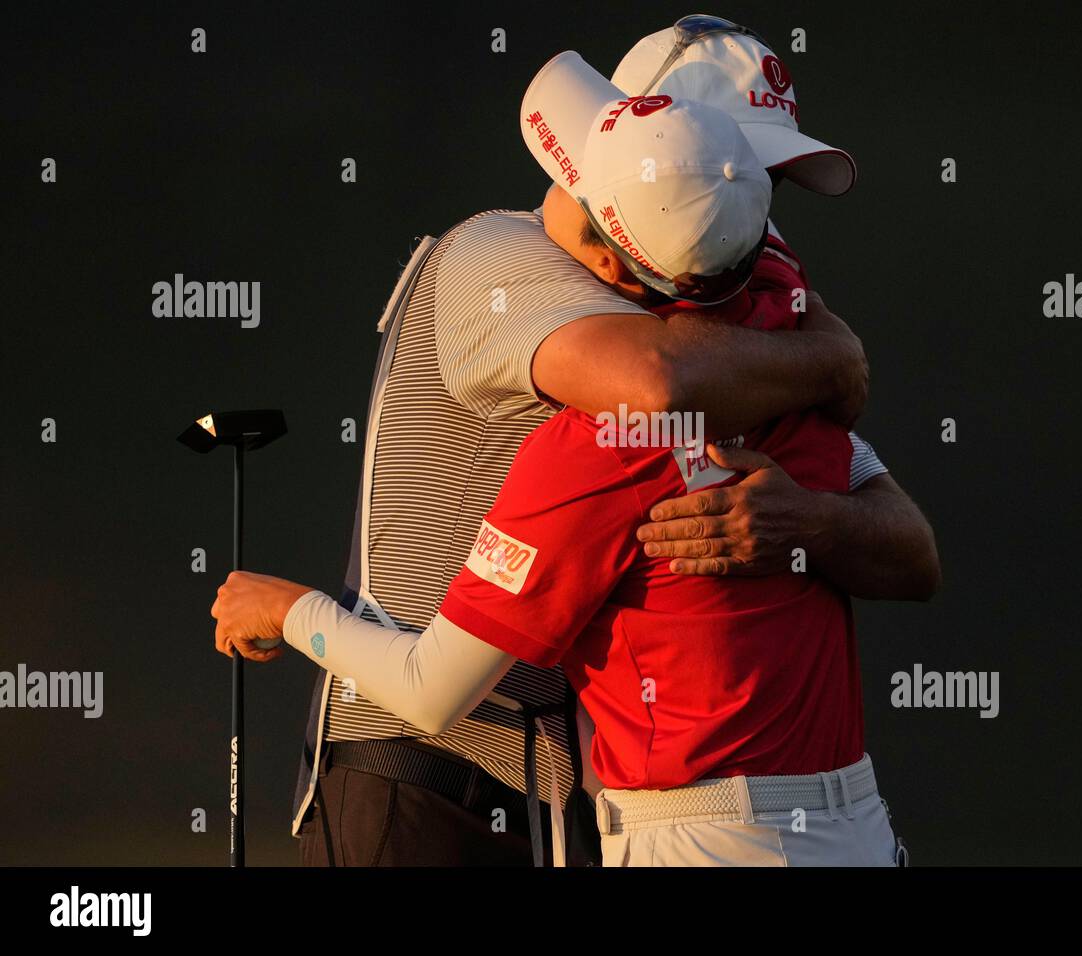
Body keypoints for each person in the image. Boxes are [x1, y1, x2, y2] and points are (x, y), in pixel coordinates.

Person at [212, 52, 939, 866]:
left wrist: (288, 611)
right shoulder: (791, 369)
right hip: (842, 828)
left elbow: (431, 688)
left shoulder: (605, 434)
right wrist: (835, 362)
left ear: (604, 262)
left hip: (678, 831)